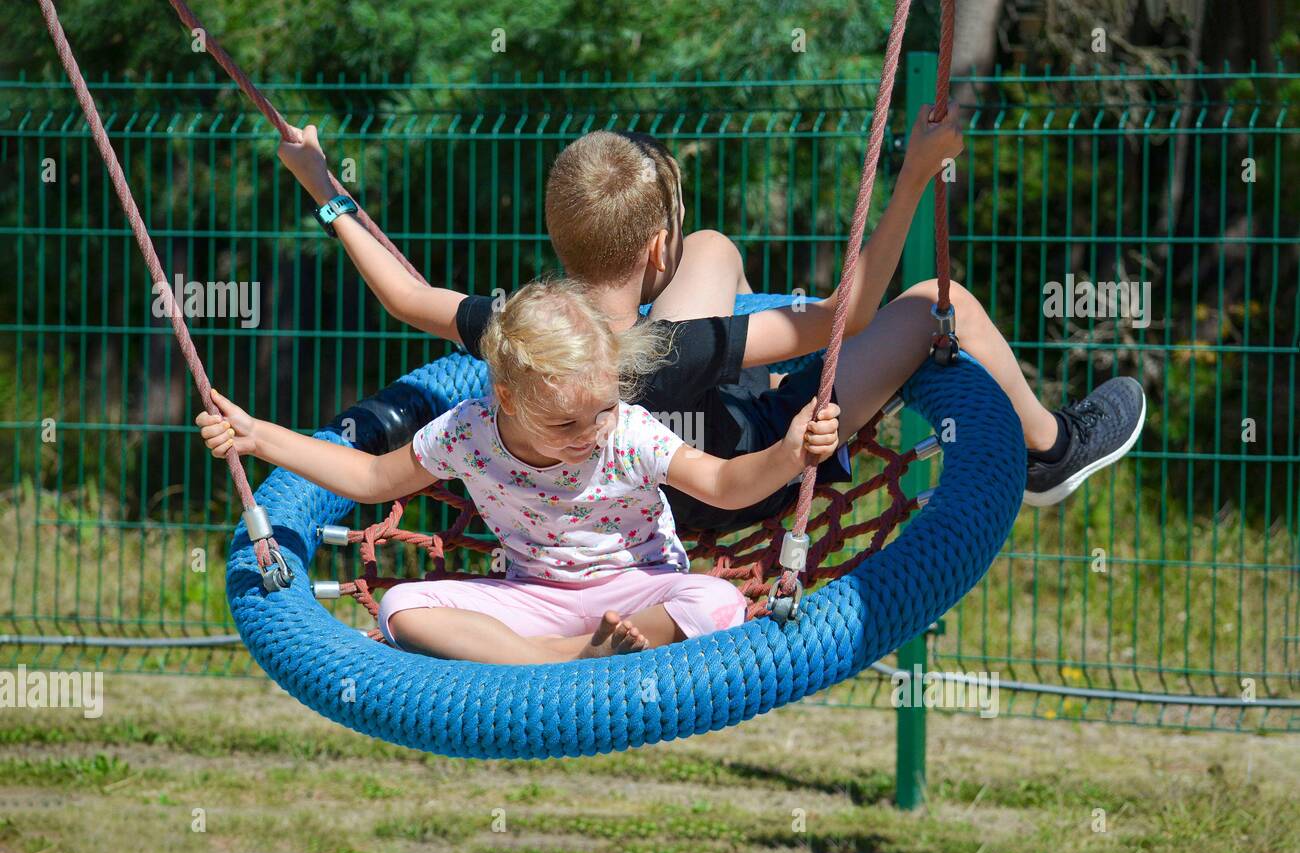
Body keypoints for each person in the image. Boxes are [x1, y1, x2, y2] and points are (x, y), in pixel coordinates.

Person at [276, 107, 1145, 528]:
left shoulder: (520, 325)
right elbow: (854, 310)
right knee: (936, 307)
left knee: (719, 248)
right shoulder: (677, 349)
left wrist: (323, 187)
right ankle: (1051, 451)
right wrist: (915, 173)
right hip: (739, 477)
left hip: (659, 463)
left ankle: (744, 345)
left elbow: (401, 294)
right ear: (655, 248)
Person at [196, 279, 841, 664]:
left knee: (716, 598)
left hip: (638, 588)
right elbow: (370, 481)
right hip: (533, 599)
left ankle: (568, 656)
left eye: (601, 409)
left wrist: (789, 455)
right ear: (507, 399)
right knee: (401, 605)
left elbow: (727, 488)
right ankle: (559, 660)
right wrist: (260, 437)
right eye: (565, 425)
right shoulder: (468, 433)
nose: (589, 434)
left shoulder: (626, 432)